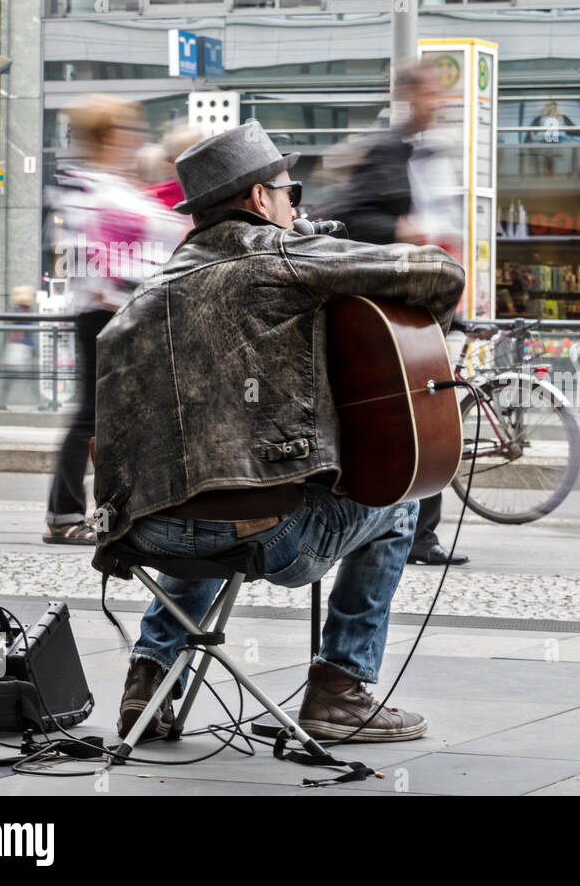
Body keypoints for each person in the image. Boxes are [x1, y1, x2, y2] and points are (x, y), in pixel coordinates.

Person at [93, 120, 464, 741]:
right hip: (269, 533)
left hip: (147, 536)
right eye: (291, 192)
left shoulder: (147, 294)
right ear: (261, 199)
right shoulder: (281, 256)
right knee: (400, 505)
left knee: (202, 493)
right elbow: (437, 272)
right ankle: (339, 688)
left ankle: (150, 680)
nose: (299, 204)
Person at [324, 63, 468, 567]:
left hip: (427, 304)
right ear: (409, 97)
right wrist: (400, 229)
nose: (440, 101)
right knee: (416, 415)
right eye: (431, 92)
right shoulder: (385, 150)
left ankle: (418, 533)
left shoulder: (437, 156)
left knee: (432, 412)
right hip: (395, 312)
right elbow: (349, 218)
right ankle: (406, 530)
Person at [43, 96, 184, 545]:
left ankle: (123, 507)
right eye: (128, 128)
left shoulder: (119, 186)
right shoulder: (87, 187)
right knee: (92, 415)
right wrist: (125, 288)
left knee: (120, 416)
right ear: (108, 136)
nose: (136, 137)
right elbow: (91, 256)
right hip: (105, 314)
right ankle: (64, 514)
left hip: (129, 312)